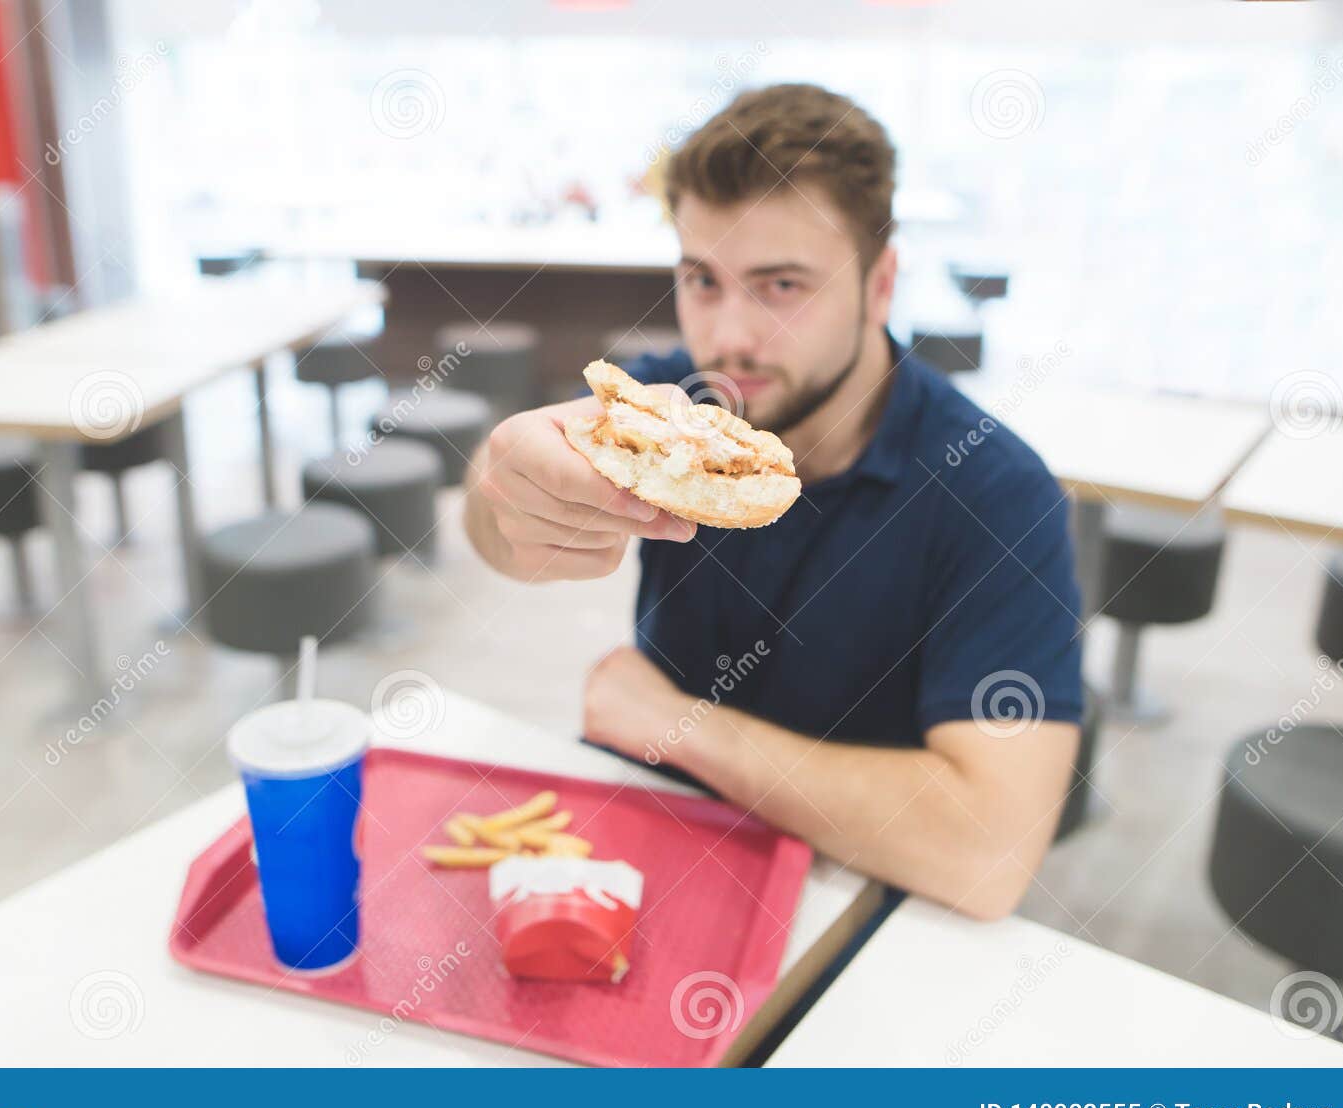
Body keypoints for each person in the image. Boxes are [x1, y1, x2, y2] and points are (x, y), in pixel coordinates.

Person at [462, 84, 1082, 919]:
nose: (729, 338)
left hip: (849, 901)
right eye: (701, 280)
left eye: (782, 285)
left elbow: (984, 855)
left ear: (880, 284)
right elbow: (496, 508)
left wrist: (680, 726)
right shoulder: (671, 408)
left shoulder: (997, 494)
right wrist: (510, 494)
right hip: (651, 852)